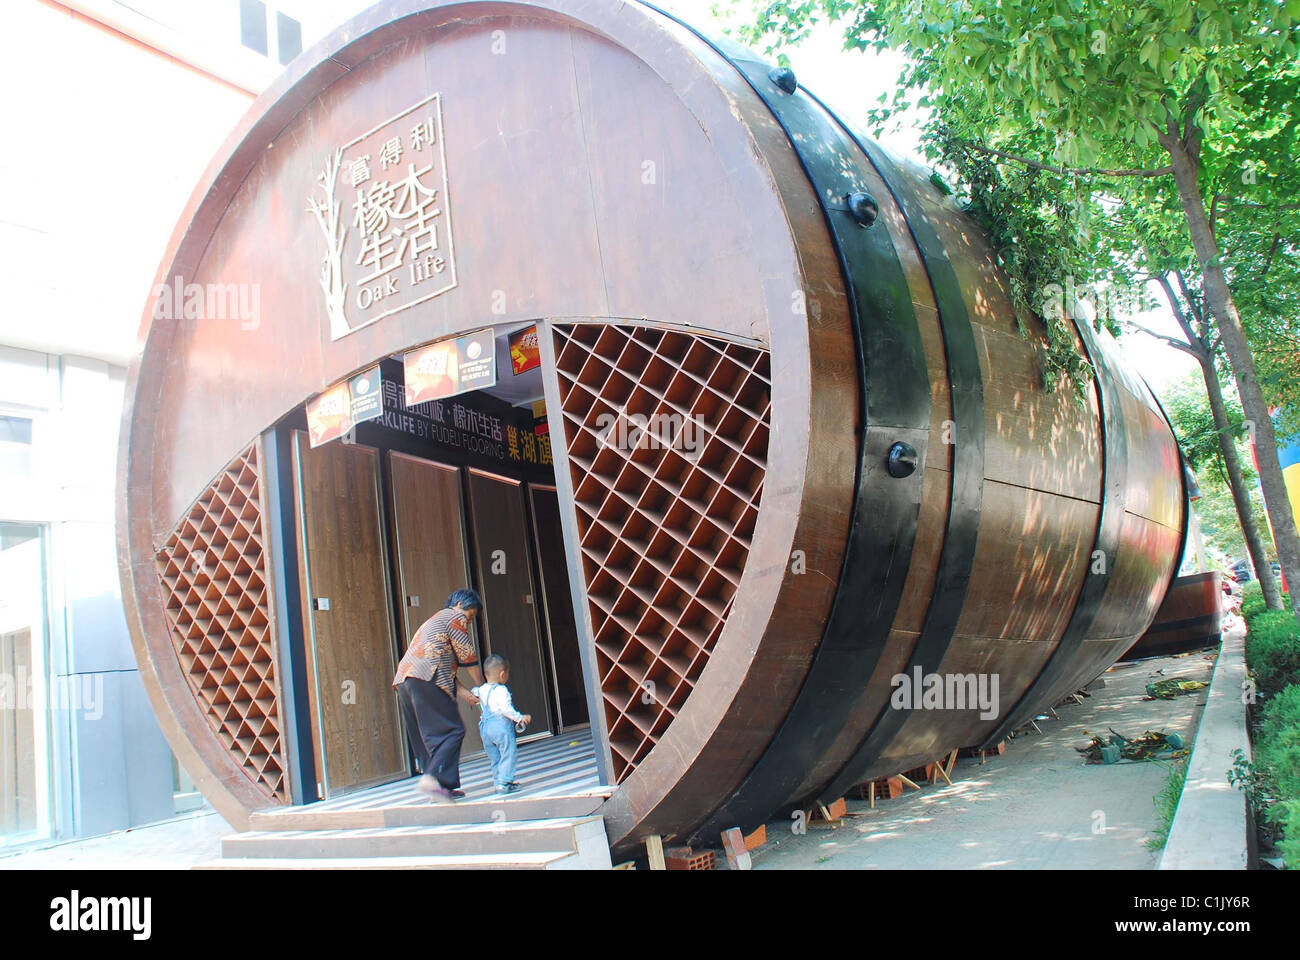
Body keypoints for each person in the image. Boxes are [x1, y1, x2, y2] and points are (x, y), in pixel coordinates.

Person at [392, 588, 485, 802]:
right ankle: (431, 778)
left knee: (429, 737)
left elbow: (447, 670)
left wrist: (468, 695)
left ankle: (441, 787)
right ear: (461, 605)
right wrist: (484, 686)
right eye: (471, 616)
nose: (468, 622)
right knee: (453, 731)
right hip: (426, 678)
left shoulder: (434, 624)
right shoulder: (454, 616)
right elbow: (467, 655)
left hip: (406, 681)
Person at [472, 654, 532, 794]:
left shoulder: (481, 689)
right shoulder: (501, 690)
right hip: (500, 727)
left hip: (485, 729)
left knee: (495, 757)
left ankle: (498, 781)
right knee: (508, 752)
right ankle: (505, 782)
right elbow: (506, 710)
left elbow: (474, 694)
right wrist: (520, 718)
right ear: (502, 674)